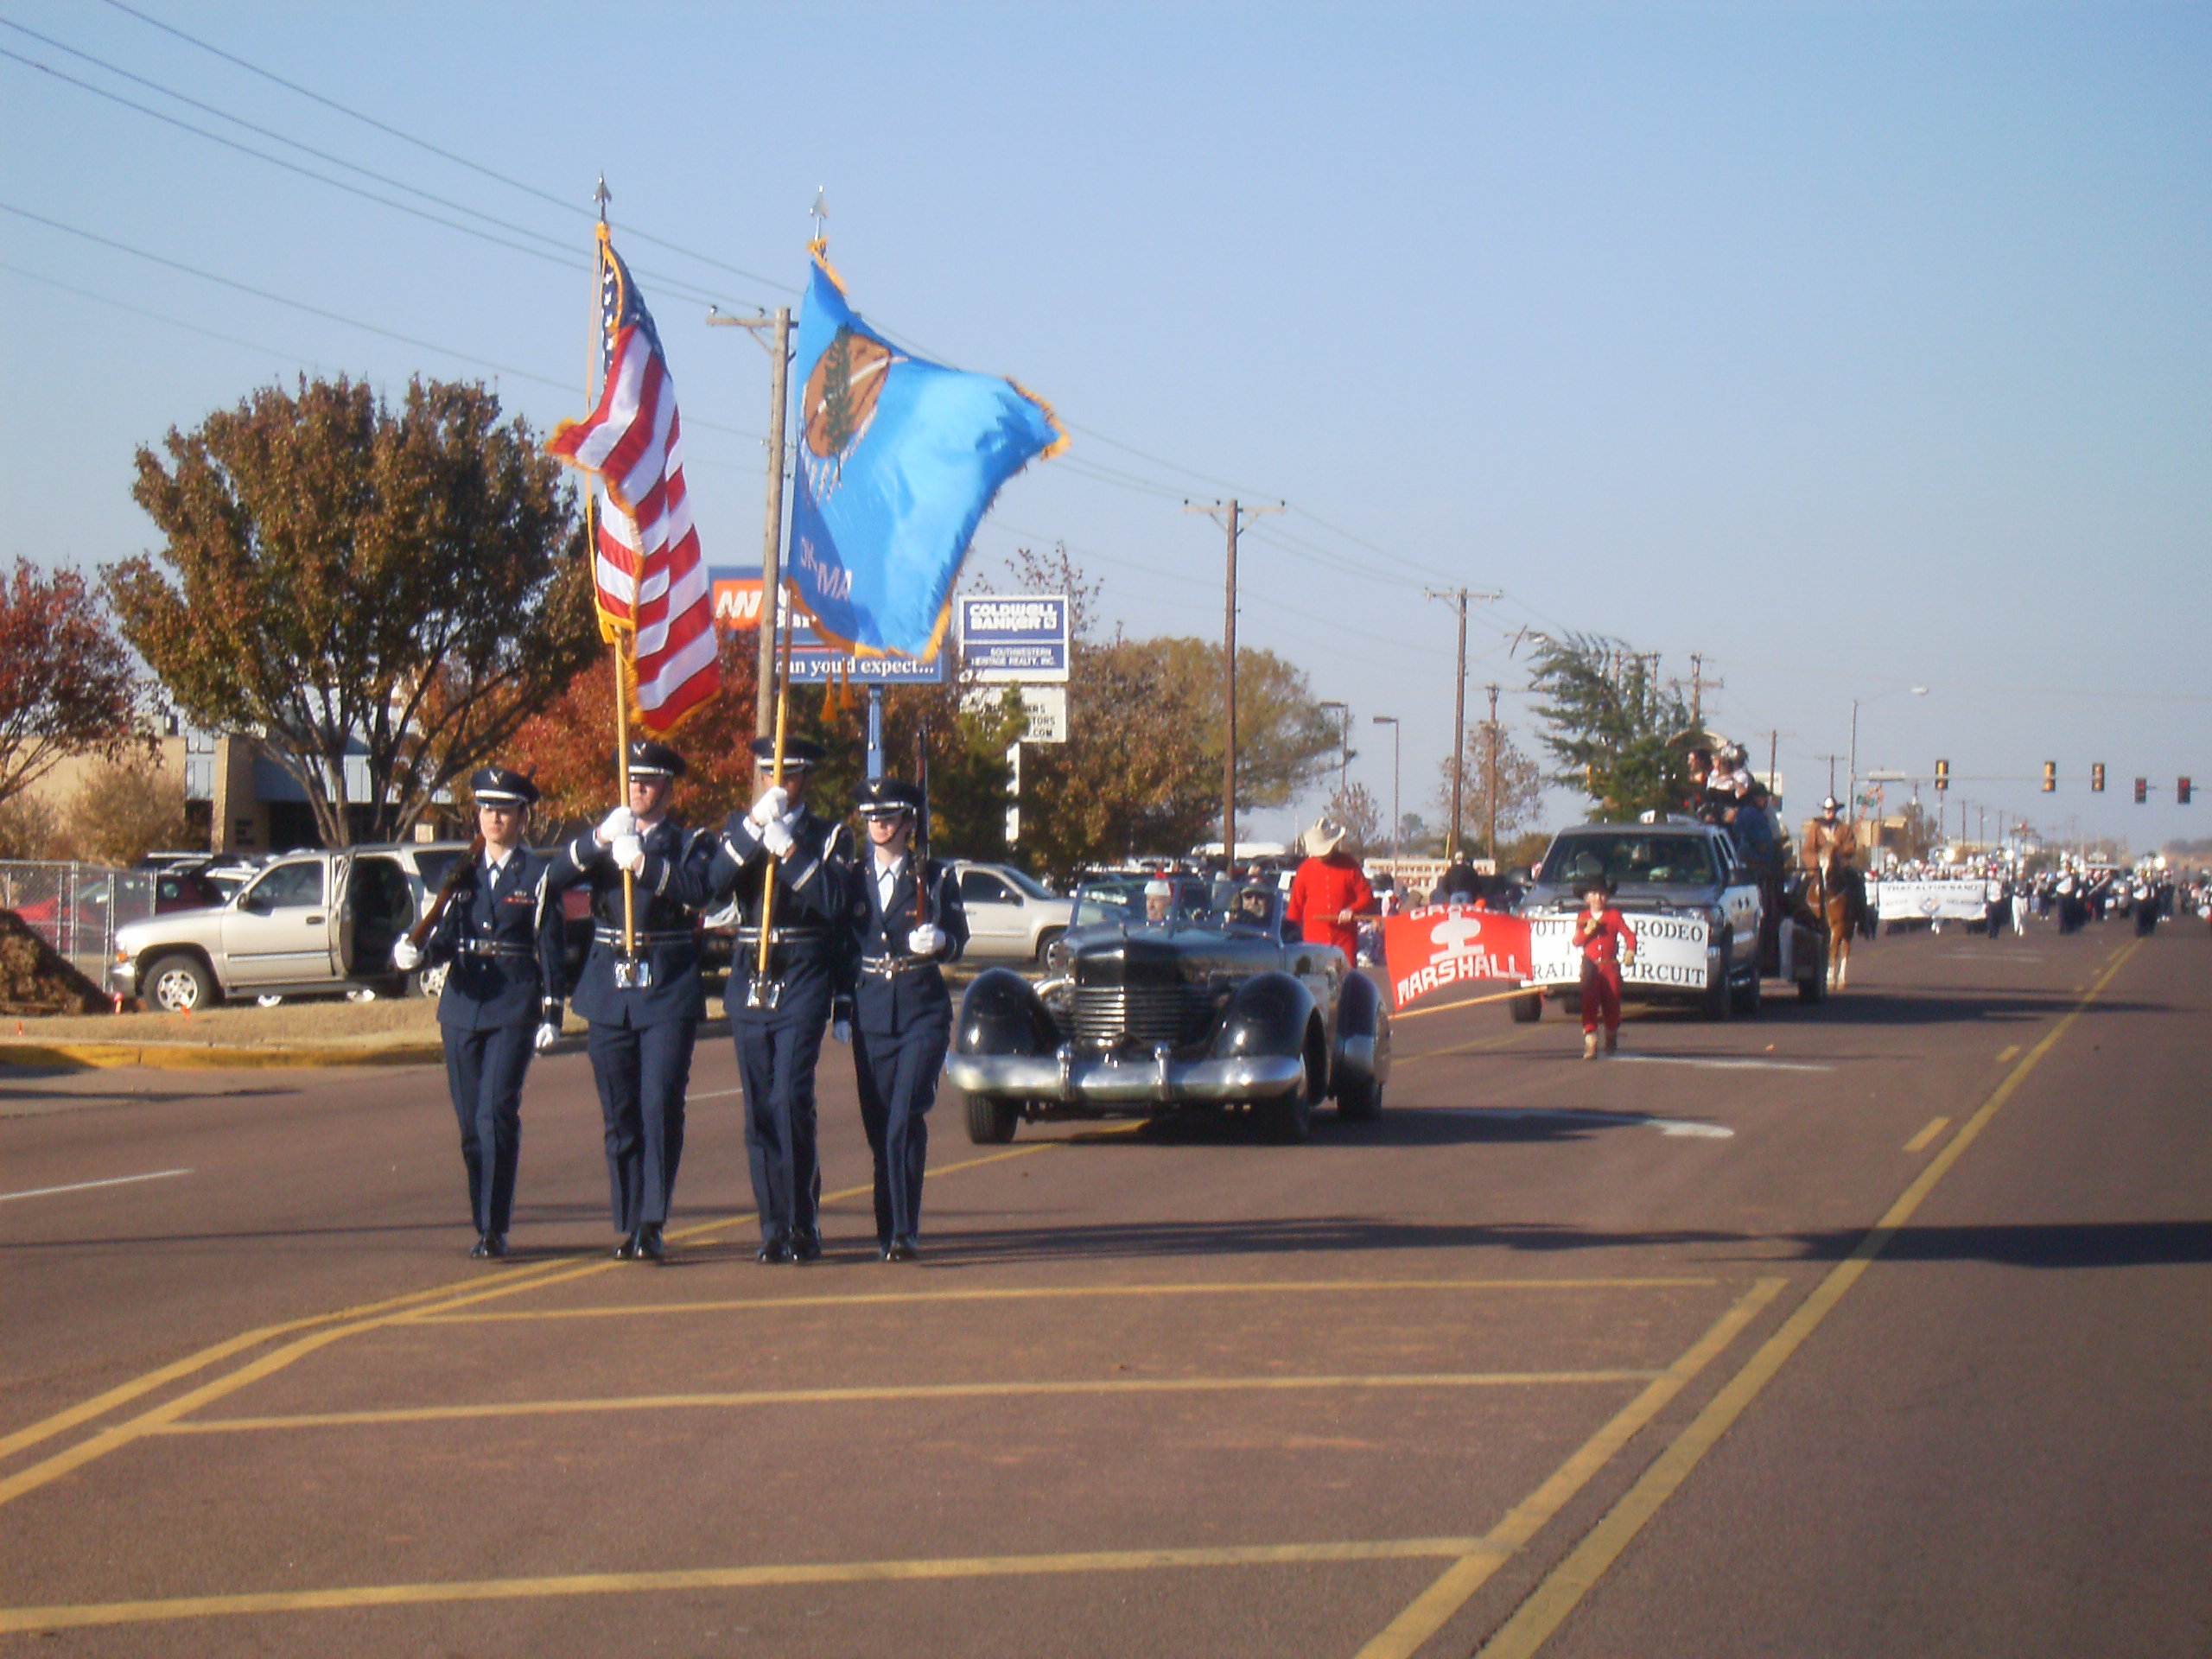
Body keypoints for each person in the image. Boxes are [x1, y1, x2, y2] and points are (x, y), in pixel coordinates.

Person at [677, 736, 853, 1263]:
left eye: (787, 774)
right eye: (766, 773)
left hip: (802, 975)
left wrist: (791, 852)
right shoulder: (740, 827)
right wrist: (754, 832)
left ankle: (804, 1217)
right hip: (750, 979)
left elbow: (834, 902)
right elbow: (711, 886)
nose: (775, 781)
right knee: (758, 1110)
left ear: (804, 780)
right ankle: (773, 1225)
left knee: (789, 1098)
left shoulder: (830, 835)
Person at [546, 740, 711, 1263]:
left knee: (659, 1103)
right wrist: (597, 840)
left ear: (668, 787)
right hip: (608, 989)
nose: (638, 787)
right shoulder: (606, 839)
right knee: (619, 1112)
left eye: (649, 779)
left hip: (665, 985)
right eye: (632, 778)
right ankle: (628, 1214)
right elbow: (551, 878)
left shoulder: (689, 843)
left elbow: (699, 889)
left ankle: (652, 1221)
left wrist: (643, 864)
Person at [392, 766, 567, 1259]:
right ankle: (481, 1219)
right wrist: (418, 954)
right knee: (471, 1127)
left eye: (504, 809)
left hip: (513, 1003)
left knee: (496, 1114)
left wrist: (552, 1012)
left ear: (522, 817)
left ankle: (495, 1227)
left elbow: (549, 946)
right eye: (487, 808)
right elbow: (446, 937)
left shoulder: (536, 876)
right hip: (462, 1005)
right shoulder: (462, 872)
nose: (494, 817)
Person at [842, 776, 969, 1262]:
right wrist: (839, 1007)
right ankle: (888, 1228)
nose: (879, 824)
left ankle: (903, 1231)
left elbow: (959, 936)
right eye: (872, 817)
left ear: (909, 822)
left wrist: (940, 942)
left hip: (921, 1010)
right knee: (882, 1133)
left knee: (902, 1121)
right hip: (871, 1012)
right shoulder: (854, 877)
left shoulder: (935, 876)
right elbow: (843, 946)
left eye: (888, 816)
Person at [1285, 817, 1374, 962]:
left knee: (1346, 980)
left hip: (1344, 940)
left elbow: (1367, 897)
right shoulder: (1305, 870)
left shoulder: (1349, 865)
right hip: (1313, 942)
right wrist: (1290, 937)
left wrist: (1352, 909)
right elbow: (1295, 909)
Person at [1573, 874, 1638, 1059]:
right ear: (1587, 898)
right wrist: (1587, 931)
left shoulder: (1614, 915)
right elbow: (1577, 941)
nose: (1598, 898)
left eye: (1601, 894)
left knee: (1612, 1003)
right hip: (1591, 968)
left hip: (1610, 967)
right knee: (1589, 1002)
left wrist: (1630, 951)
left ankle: (1611, 1034)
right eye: (1593, 894)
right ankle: (1590, 1040)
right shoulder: (1583, 917)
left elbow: (1629, 935)